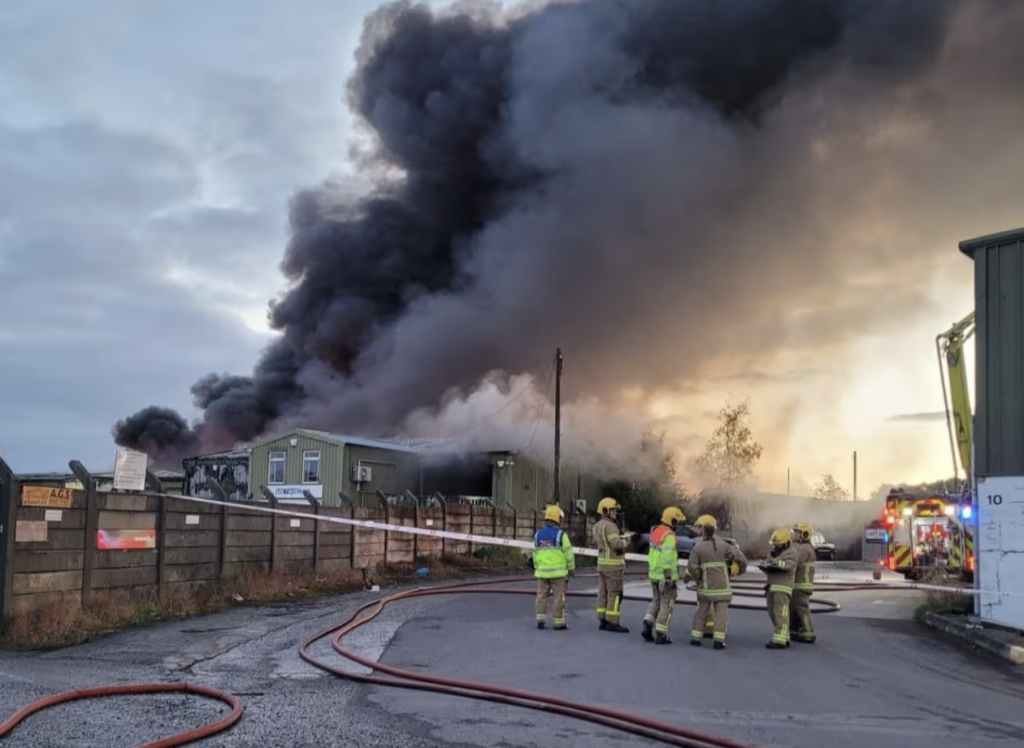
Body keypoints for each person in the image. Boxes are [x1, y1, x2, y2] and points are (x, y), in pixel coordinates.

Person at [686, 514, 748, 649]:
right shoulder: (724, 545)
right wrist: (739, 570)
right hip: (722, 588)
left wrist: (698, 576)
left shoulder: (698, 547)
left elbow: (691, 566)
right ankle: (719, 641)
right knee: (721, 614)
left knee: (701, 612)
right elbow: (741, 558)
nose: (698, 531)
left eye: (699, 528)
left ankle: (695, 639)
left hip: (705, 588)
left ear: (704, 528)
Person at [642, 506, 685, 644]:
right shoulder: (669, 536)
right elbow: (667, 557)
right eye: (677, 521)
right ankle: (661, 634)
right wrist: (668, 577)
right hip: (665, 577)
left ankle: (647, 626)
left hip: (654, 574)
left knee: (656, 601)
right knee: (667, 604)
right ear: (672, 521)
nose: (677, 524)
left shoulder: (656, 531)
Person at [533, 504, 575, 630]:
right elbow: (569, 554)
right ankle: (558, 622)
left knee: (541, 596)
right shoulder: (562, 535)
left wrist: (537, 567)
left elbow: (535, 554)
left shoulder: (537, 535)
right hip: (558, 574)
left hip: (542, 574)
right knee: (558, 597)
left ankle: (540, 620)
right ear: (558, 519)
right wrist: (571, 570)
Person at [593, 497, 630, 632]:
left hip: (602, 565)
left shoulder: (597, 526)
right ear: (605, 510)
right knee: (614, 594)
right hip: (613, 566)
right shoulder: (611, 526)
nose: (615, 512)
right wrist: (626, 541)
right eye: (612, 510)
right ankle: (613, 622)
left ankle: (602, 620)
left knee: (603, 593)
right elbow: (616, 544)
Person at [759, 528, 799, 649]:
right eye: (775, 543)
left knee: (780, 613)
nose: (776, 546)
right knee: (772, 611)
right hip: (772, 586)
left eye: (778, 543)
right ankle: (784, 635)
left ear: (786, 542)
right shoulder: (774, 551)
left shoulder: (792, 552)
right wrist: (765, 564)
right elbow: (768, 561)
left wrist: (775, 563)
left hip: (783, 587)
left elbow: (789, 565)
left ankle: (780, 641)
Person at [791, 521, 817, 643]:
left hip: (802, 584)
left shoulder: (805, 549)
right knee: (794, 609)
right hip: (797, 584)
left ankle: (808, 632)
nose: (795, 535)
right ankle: (794, 631)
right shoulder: (800, 547)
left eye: (797, 532)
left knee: (802, 609)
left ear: (804, 534)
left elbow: (794, 562)